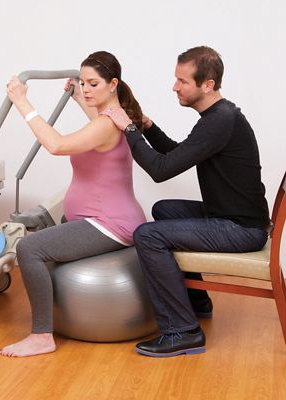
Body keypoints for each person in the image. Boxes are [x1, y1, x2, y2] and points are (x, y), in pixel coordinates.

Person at [104, 46, 270, 357]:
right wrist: (147, 127)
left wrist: (128, 129)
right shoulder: (219, 117)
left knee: (147, 235)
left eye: (182, 81)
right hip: (232, 216)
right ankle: (198, 302)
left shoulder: (219, 121)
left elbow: (160, 169)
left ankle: (182, 331)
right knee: (163, 210)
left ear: (207, 85)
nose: (174, 87)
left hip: (240, 228)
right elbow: (176, 153)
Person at [0, 51, 146, 357]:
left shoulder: (108, 124)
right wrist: (80, 98)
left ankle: (41, 336)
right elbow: (98, 126)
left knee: (29, 248)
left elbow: (57, 145)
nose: (87, 88)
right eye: (83, 82)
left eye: (93, 83)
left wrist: (22, 103)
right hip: (104, 219)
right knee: (50, 233)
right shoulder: (116, 116)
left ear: (113, 84)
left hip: (109, 225)